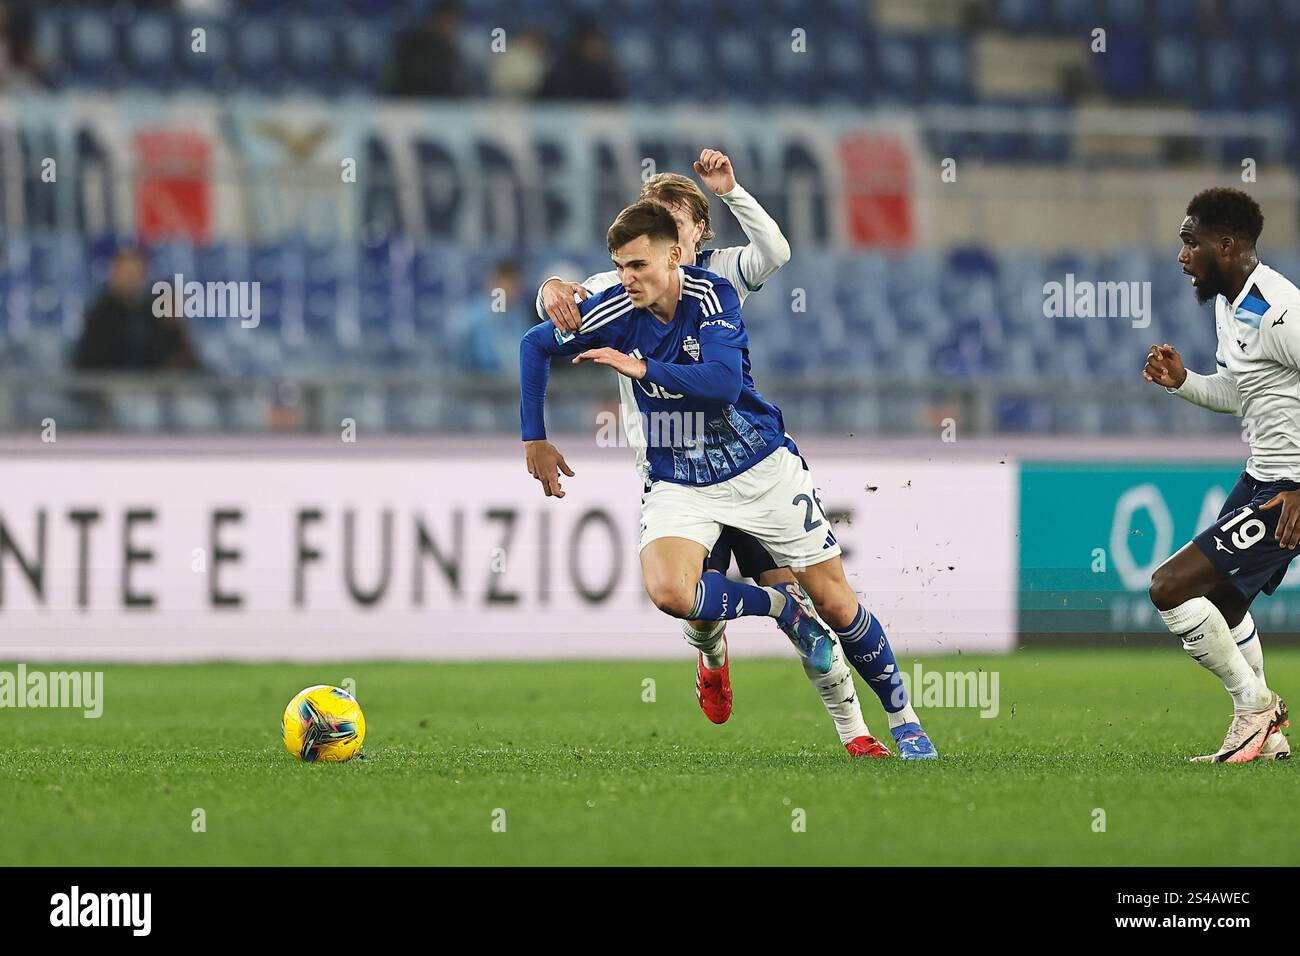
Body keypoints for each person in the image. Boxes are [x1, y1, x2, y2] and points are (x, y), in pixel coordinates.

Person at [520, 201, 938, 759]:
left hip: (758, 467)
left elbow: (721, 384)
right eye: (620, 266)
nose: (627, 278)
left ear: (677, 253)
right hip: (681, 477)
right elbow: (535, 343)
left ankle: (902, 719)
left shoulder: (714, 292)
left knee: (836, 605)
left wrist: (642, 368)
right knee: (674, 594)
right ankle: (777, 609)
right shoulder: (616, 301)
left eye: (637, 266)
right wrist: (535, 437)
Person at [1143, 186, 1292, 762]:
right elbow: (1240, 392)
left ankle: (1255, 709)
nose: (1182, 256)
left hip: (1288, 491)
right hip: (1262, 479)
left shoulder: (1278, 308)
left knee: (1169, 587)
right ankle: (1268, 735)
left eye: (1191, 243)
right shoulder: (1233, 306)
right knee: (1223, 609)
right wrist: (1185, 383)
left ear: (1226, 245)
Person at [74, 246, 201, 372]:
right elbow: (87, 365)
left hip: (153, 383)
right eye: (126, 273)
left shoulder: (157, 314)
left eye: (134, 273)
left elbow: (183, 359)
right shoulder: (99, 316)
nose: (130, 279)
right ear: (114, 275)